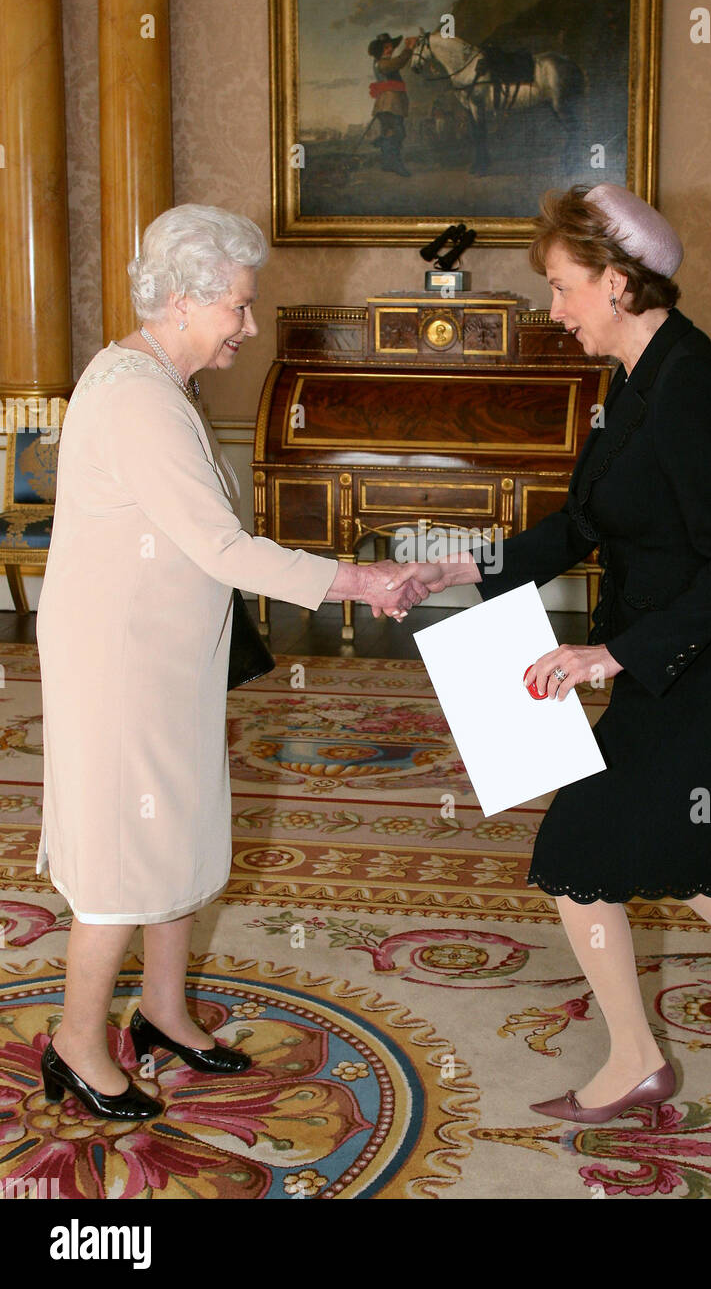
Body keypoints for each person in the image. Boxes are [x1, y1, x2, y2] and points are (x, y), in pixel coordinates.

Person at [394, 183, 711, 1122]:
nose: (552, 309)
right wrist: (456, 565)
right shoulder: (634, 377)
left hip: (698, 662)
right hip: (663, 655)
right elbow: (586, 522)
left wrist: (609, 656)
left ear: (618, 284)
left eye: (561, 286)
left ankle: (635, 1062)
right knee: (703, 863)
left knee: (580, 853)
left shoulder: (694, 383)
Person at [36, 203, 430, 1120]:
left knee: (175, 826)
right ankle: (76, 1041)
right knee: (123, 853)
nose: (248, 328)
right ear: (182, 301)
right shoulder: (136, 394)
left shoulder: (158, 380)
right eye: (238, 310)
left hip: (163, 653)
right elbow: (222, 548)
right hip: (121, 663)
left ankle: (164, 1011)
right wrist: (362, 581)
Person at [366, 32, 417, 177]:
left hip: (391, 104)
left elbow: (397, 62)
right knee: (397, 133)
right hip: (389, 104)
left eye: (390, 47)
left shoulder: (384, 62)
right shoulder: (383, 63)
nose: (389, 49)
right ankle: (395, 164)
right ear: (379, 50)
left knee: (390, 132)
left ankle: (387, 161)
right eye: (385, 47)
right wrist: (410, 48)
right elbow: (399, 62)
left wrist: (408, 47)